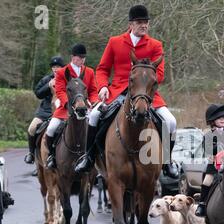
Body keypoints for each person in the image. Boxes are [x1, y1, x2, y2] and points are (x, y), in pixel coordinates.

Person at [75, 4, 178, 179]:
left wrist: (144, 79)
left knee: (171, 121)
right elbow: (102, 69)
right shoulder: (115, 42)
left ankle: (167, 162)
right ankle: (89, 157)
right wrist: (103, 87)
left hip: (145, 93)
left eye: (146, 22)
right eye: (139, 22)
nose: (143, 25)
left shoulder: (155, 45)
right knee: (93, 117)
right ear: (130, 24)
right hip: (117, 91)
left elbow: (159, 74)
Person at [44, 44, 99, 169]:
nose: (82, 60)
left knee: (97, 127)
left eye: (84, 57)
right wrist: (68, 104)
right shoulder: (62, 72)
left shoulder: (89, 71)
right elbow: (60, 90)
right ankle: (52, 156)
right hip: (66, 109)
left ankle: (95, 158)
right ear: (73, 57)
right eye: (80, 57)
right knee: (51, 129)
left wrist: (93, 101)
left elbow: (93, 91)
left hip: (85, 107)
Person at [24, 56, 65, 164]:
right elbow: (38, 93)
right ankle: (32, 154)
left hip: (61, 111)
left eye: (58, 67)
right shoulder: (47, 79)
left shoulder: (67, 79)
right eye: (54, 67)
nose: (55, 69)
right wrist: (48, 85)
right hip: (45, 111)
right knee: (32, 128)